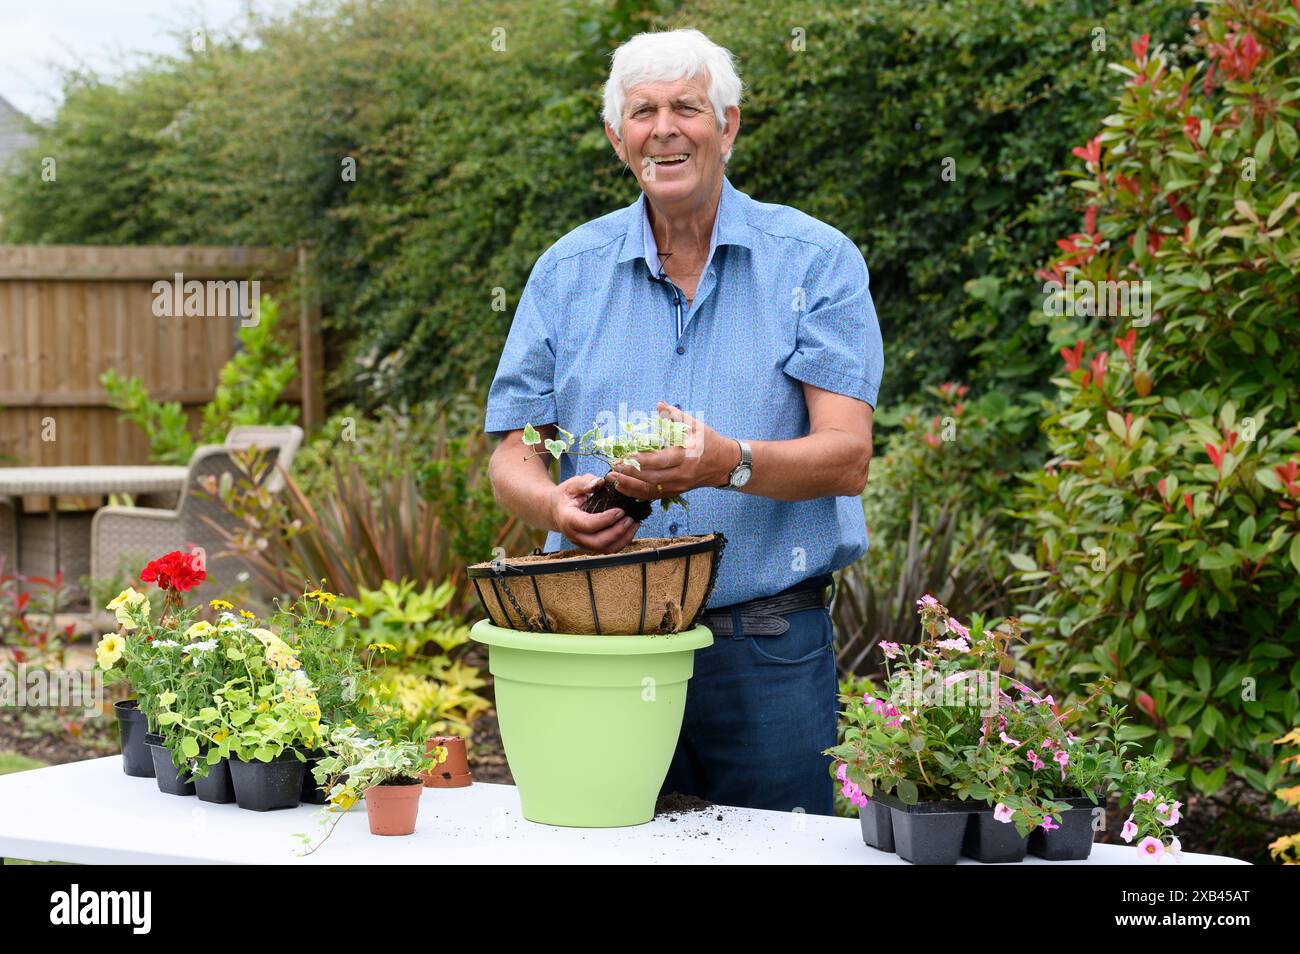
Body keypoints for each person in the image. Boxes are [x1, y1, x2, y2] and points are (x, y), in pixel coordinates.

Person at [484, 28, 883, 816]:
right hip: (601, 645)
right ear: (616, 138)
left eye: (687, 108)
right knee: (602, 849)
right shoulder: (566, 272)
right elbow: (513, 455)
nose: (664, 128)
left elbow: (847, 457)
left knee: (776, 859)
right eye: (642, 112)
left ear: (727, 126)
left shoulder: (815, 261)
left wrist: (723, 461)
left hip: (765, 652)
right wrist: (551, 504)